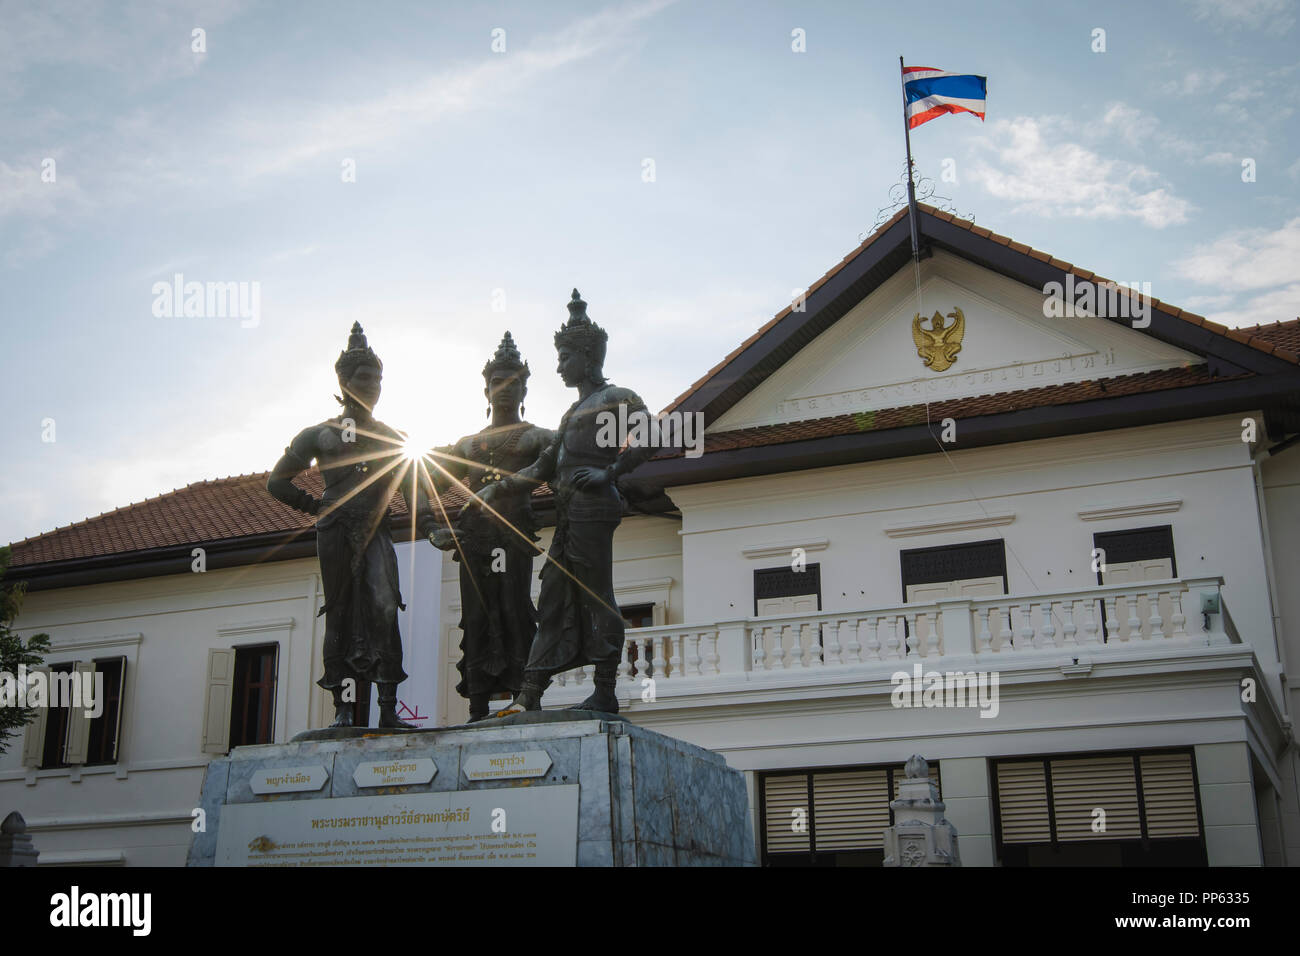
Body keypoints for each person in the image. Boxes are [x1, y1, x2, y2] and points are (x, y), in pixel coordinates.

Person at [476, 291, 655, 715]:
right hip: (569, 513)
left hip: (594, 507)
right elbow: (543, 465)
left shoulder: (616, 397)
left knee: (596, 595)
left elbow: (653, 433)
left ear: (588, 356)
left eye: (565, 357)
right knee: (553, 593)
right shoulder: (572, 412)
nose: (558, 366)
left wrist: (608, 473)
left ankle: (605, 690)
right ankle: (530, 692)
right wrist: (496, 489)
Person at [266, 322, 427, 728]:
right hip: (335, 529)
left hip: (376, 528)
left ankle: (388, 708)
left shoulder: (395, 438)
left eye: (377, 378)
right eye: (363, 377)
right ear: (343, 379)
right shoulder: (320, 434)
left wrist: (432, 524)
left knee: (384, 604)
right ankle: (343, 709)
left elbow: (414, 491)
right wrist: (315, 506)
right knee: (339, 611)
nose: (372, 384)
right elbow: (276, 481)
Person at [421, 333, 554, 722]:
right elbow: (419, 486)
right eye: (498, 383)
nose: (505, 391)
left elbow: (567, 460)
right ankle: (477, 706)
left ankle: (524, 699)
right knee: (476, 617)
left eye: (514, 384)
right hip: (473, 541)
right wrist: (433, 529)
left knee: (515, 612)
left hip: (511, 539)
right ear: (486, 388)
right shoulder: (467, 447)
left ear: (525, 388)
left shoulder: (536, 437)